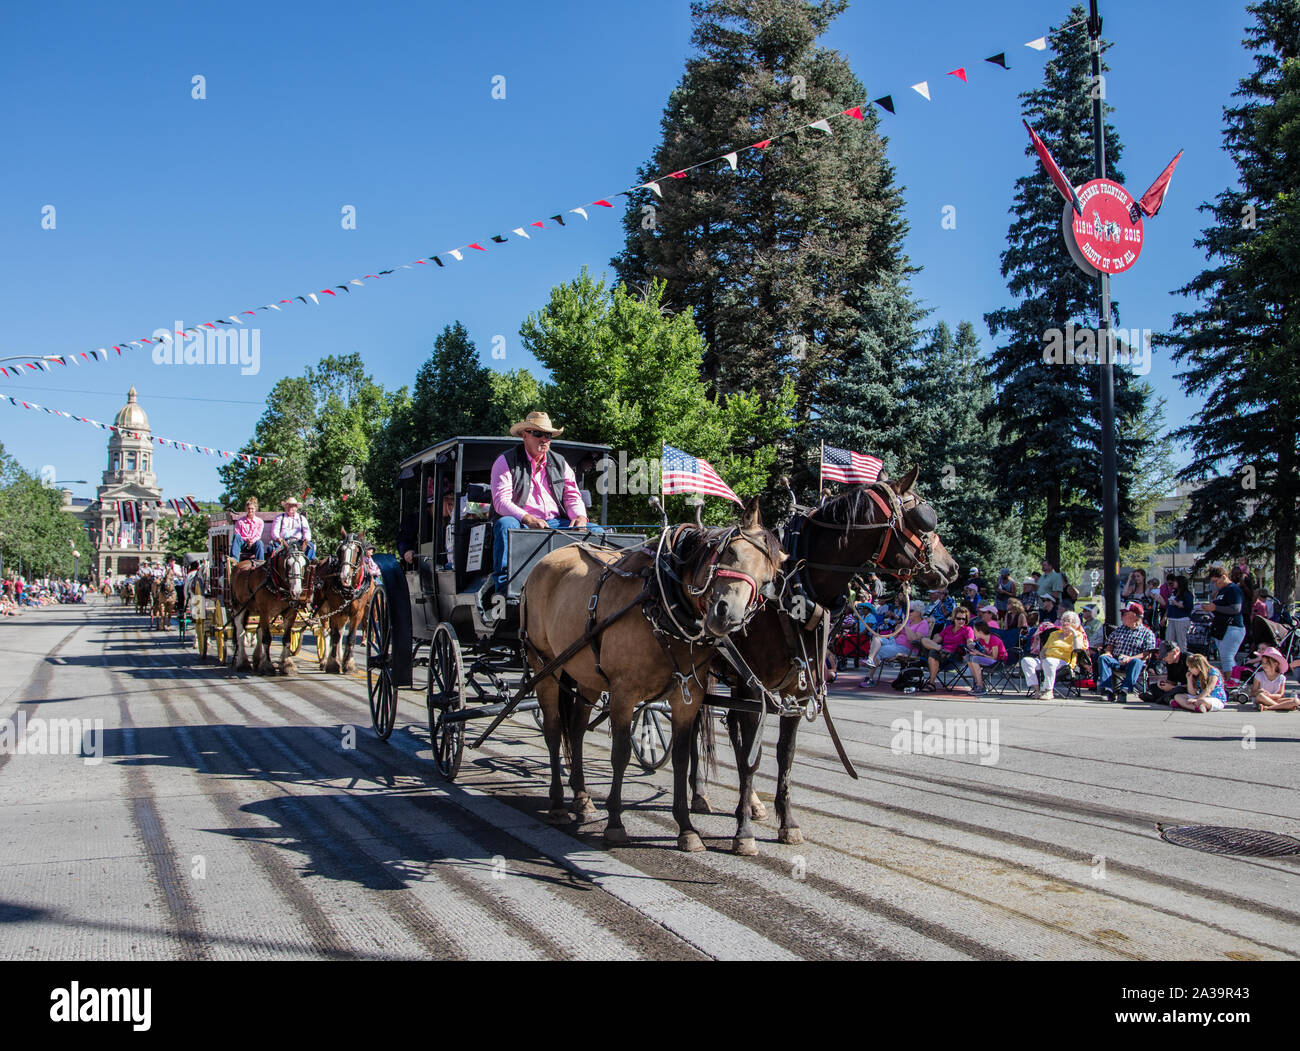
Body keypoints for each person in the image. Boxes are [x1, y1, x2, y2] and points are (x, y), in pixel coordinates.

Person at [489, 411, 599, 598]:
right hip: (521, 523)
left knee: (596, 531)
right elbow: (501, 502)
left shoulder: (560, 463)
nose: (544, 439)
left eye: (547, 435)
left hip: (556, 522)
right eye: (538, 434)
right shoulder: (506, 461)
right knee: (505, 525)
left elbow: (572, 496)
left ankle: (593, 587)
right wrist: (528, 518)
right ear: (524, 435)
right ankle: (505, 589)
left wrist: (579, 517)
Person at [1097, 602, 1157, 704]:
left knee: (1137, 662)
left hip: (1132, 662)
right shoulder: (1120, 629)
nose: (1122, 617)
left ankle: (1123, 691)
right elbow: (1110, 643)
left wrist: (1130, 658)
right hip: (1116, 659)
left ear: (1133, 616)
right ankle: (1107, 690)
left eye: (1125, 614)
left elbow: (1147, 654)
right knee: (1103, 658)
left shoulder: (1147, 633)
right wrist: (1108, 652)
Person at [1021, 611, 1088, 700]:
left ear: (1074, 623)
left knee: (1049, 662)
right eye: (1063, 620)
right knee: (1026, 661)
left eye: (1068, 620)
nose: (1064, 623)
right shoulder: (1054, 634)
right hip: (1047, 660)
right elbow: (1043, 651)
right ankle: (1037, 690)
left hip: (1064, 663)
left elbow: (1078, 649)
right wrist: (1042, 659)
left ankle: (1049, 691)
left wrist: (1073, 632)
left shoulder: (1077, 635)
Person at [862, 601, 931, 684]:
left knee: (880, 650)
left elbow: (913, 639)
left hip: (907, 649)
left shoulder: (923, 624)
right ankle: (870, 659)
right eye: (908, 611)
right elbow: (894, 636)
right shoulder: (908, 621)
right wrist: (897, 629)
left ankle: (869, 677)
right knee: (877, 638)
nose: (908, 613)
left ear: (918, 612)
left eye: (911, 611)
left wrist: (905, 627)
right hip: (894, 643)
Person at [1202, 565, 1245, 681]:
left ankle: (1232, 682)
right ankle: (1231, 681)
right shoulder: (1222, 590)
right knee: (1225, 657)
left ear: (1224, 577)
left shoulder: (1233, 589)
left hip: (1232, 627)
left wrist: (1215, 607)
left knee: (1227, 657)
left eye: (1216, 581)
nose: (1215, 584)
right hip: (1222, 627)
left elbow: (1236, 609)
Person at [919, 607, 974, 691]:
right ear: (954, 618)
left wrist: (971, 646)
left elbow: (970, 641)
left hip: (955, 655)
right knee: (924, 641)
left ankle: (931, 683)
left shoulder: (967, 629)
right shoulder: (948, 628)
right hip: (941, 652)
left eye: (963, 619)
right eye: (958, 618)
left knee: (933, 653)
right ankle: (939, 649)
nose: (961, 621)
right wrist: (929, 643)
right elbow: (936, 640)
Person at [966, 620, 1008, 695]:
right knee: (969, 657)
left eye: (975, 631)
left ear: (981, 632)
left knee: (974, 659)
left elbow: (994, 658)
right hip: (990, 660)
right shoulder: (981, 639)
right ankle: (977, 683)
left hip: (999, 662)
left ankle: (981, 686)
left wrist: (979, 654)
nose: (974, 633)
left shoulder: (993, 639)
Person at [1249, 646, 1296, 711]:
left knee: (1296, 701)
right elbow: (1252, 693)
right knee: (1260, 696)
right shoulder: (1259, 675)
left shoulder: (1281, 678)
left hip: (1274, 699)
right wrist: (1259, 692)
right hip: (1262, 698)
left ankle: (1269, 707)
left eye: (1267, 663)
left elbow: (1280, 694)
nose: (1264, 665)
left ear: (1275, 664)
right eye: (1263, 663)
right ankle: (1282, 706)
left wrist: (1270, 695)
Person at [270, 496, 315, 561]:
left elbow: (307, 532)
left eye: (293, 506)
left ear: (296, 508)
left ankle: (307, 565)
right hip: (284, 542)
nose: (290, 508)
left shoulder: (302, 518)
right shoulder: (280, 517)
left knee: (311, 546)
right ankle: (273, 569)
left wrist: (306, 540)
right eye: (288, 506)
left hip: (298, 542)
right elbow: (274, 531)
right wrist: (278, 538)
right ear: (285, 507)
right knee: (271, 549)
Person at [1146, 640, 1189, 705]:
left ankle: (1161, 699)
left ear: (1174, 652)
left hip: (1189, 688)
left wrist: (1173, 688)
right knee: (1153, 687)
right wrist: (1163, 683)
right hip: (1178, 687)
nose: (1164, 659)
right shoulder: (1170, 662)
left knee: (1176, 690)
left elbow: (1195, 685)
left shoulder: (1188, 659)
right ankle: (1166, 699)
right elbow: (1172, 681)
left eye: (1165, 656)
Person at [1163, 574, 1194, 650]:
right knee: (1169, 640)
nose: (1174, 583)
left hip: (1182, 619)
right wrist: (1164, 617)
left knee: (1181, 641)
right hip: (1171, 619)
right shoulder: (1173, 593)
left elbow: (1189, 606)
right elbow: (1169, 607)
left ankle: (1183, 658)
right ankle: (1170, 658)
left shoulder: (1187, 594)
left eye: (1175, 582)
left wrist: (1177, 603)